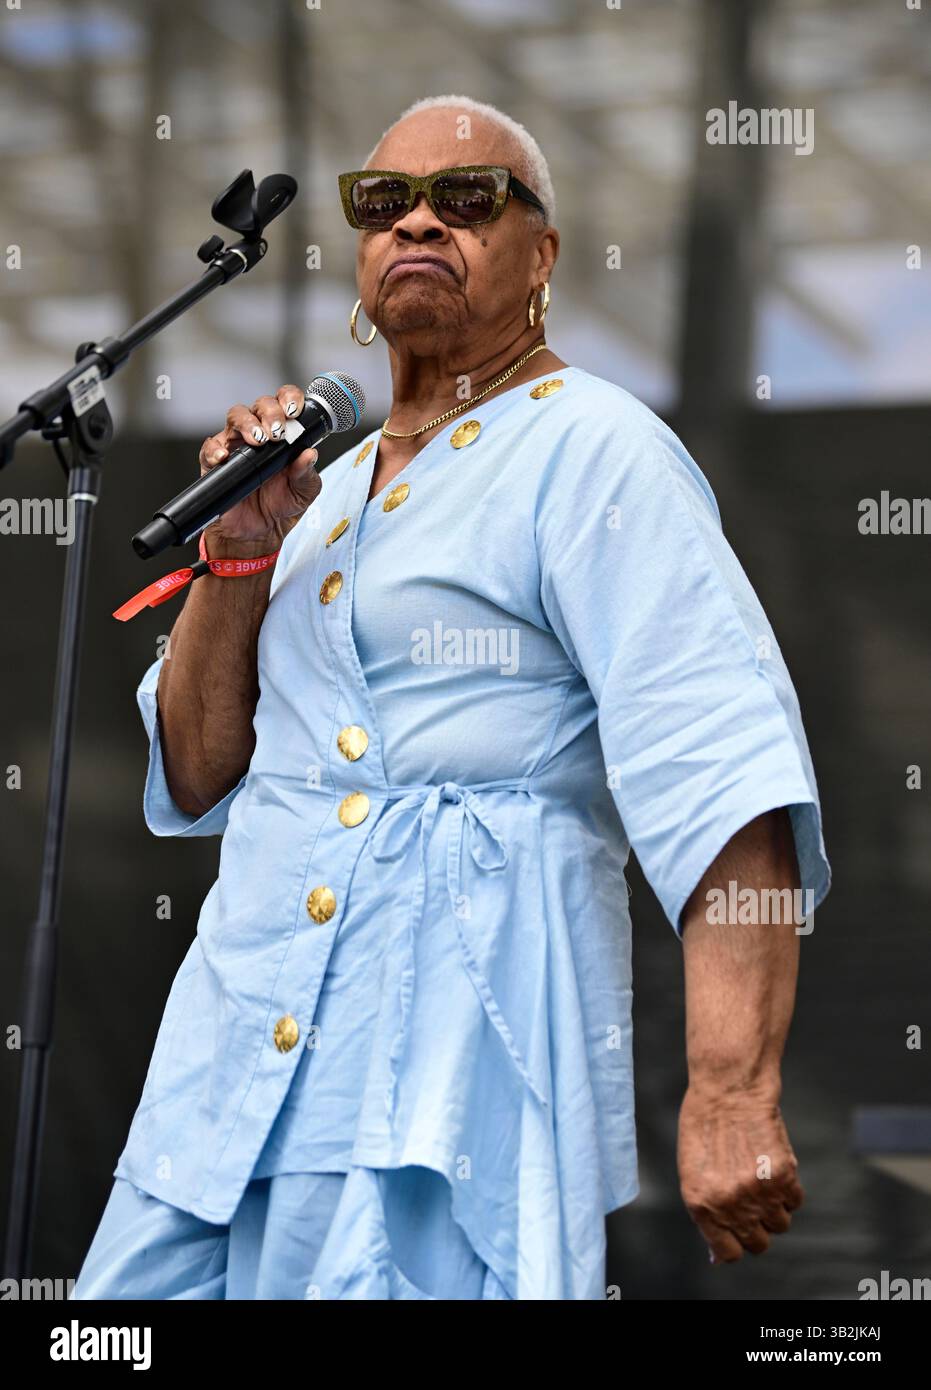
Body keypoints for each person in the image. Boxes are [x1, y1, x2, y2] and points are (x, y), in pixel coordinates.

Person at [72, 94, 830, 1301]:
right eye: (384, 203)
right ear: (360, 254)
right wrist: (239, 558)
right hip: (224, 1076)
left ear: (543, 254)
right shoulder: (311, 481)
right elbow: (199, 763)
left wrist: (732, 1088)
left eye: (466, 197)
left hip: (444, 1072)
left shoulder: (596, 449)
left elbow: (720, 768)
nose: (418, 219)